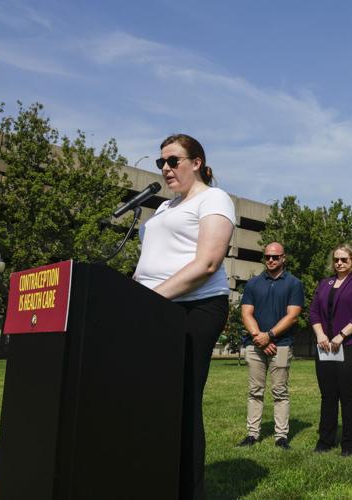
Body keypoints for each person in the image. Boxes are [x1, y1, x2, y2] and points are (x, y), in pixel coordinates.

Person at [133, 134, 235, 499]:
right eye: (161, 162)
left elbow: (207, 263)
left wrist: (150, 298)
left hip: (196, 308)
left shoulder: (214, 199)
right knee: (150, 399)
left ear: (196, 163)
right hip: (155, 307)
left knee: (183, 401)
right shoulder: (163, 207)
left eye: (173, 161)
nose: (165, 168)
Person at [237, 242, 304, 449]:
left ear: (284, 258)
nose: (271, 260)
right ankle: (252, 434)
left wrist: (270, 335)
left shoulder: (294, 284)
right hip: (255, 345)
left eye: (275, 257)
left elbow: (293, 316)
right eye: (267, 257)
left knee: (280, 392)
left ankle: (281, 436)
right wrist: (259, 337)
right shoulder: (253, 284)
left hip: (281, 345)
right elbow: (246, 313)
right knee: (255, 391)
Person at [309, 244, 352, 456]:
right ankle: (325, 441)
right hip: (325, 346)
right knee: (328, 396)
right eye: (336, 259)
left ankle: (350, 445)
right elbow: (314, 312)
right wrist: (320, 335)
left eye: (344, 259)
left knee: (347, 395)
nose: (339, 263)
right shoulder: (324, 283)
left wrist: (342, 335)